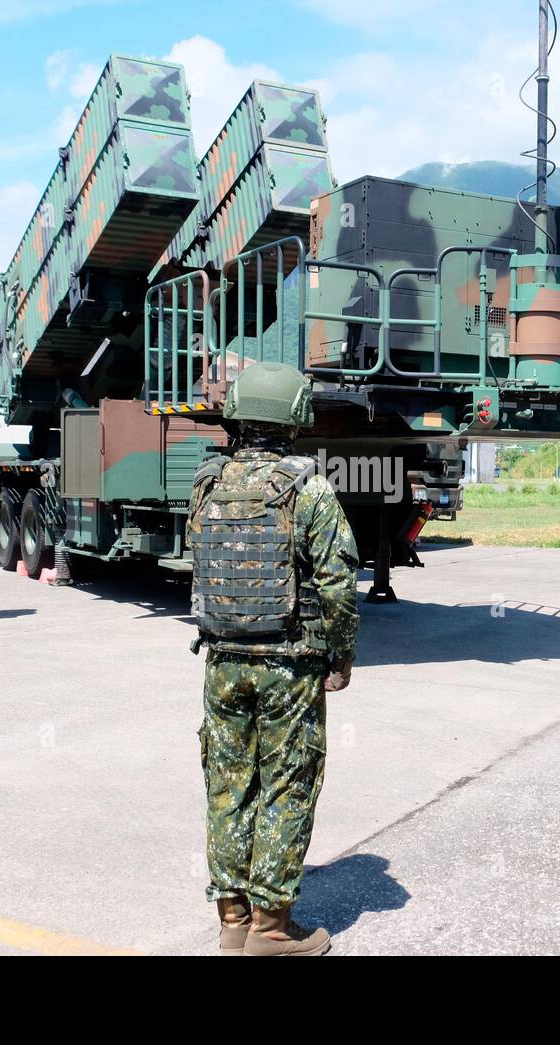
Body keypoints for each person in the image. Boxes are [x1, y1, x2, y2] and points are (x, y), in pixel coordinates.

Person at [187, 363, 359, 957]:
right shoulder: (307, 488)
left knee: (228, 784)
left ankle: (231, 920)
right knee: (287, 784)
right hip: (289, 664)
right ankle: (270, 929)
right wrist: (341, 655)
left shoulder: (206, 483)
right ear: (295, 416)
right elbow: (338, 582)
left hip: (222, 661)